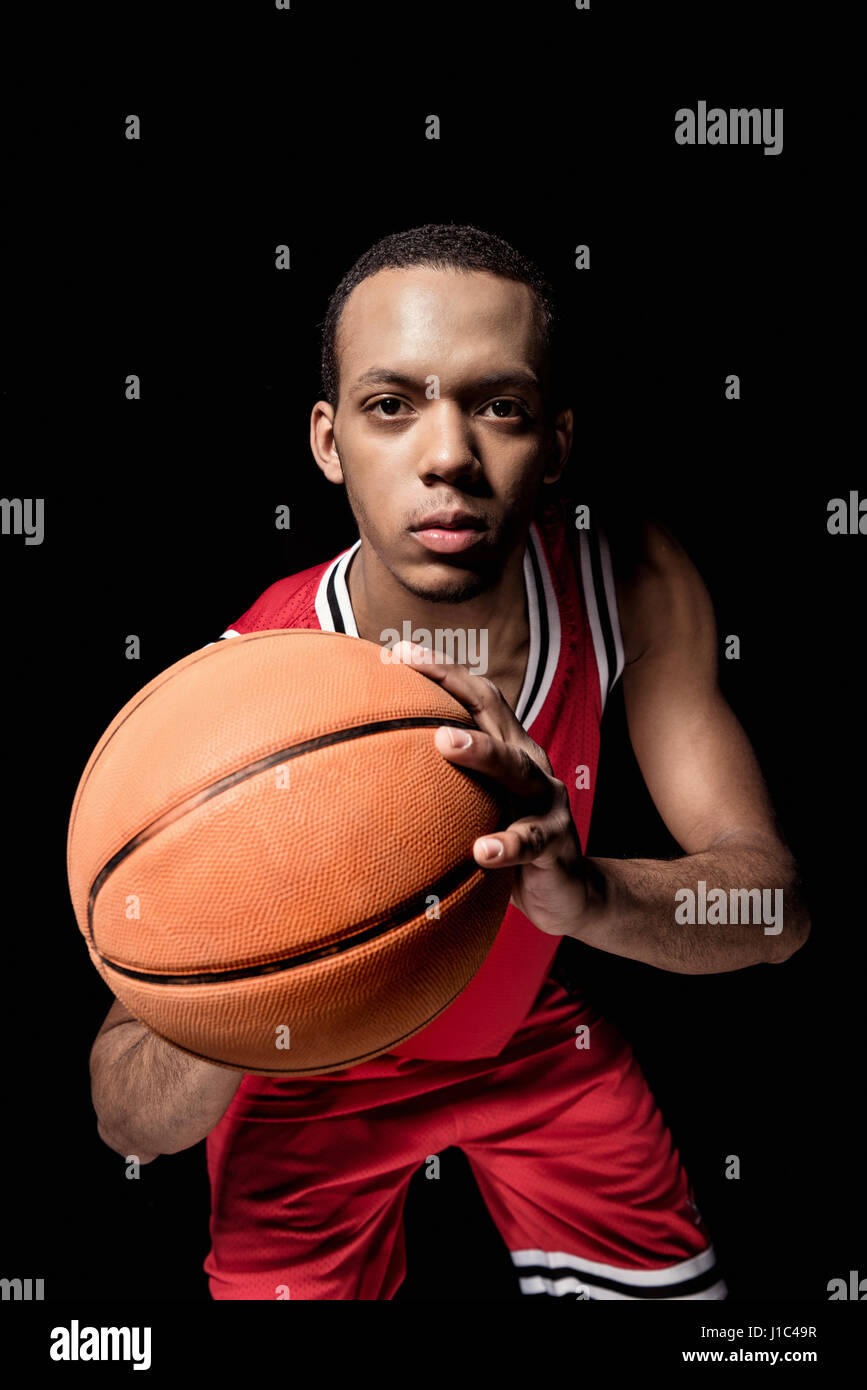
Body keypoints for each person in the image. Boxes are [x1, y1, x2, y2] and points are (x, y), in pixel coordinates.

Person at [90, 225, 809, 1300]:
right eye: (393, 406)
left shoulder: (630, 581)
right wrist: (247, 972)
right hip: (310, 1073)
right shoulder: (240, 697)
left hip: (527, 1033)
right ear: (329, 442)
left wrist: (595, 895)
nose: (447, 457)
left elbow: (777, 913)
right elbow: (123, 1115)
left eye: (498, 406)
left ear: (556, 445)